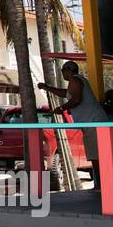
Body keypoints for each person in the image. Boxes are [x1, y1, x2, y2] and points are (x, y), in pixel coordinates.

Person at [39, 60, 108, 192]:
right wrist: (47, 88)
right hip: (91, 122)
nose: (62, 73)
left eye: (63, 71)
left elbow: (76, 99)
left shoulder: (76, 80)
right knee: (94, 156)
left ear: (69, 70)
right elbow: (66, 94)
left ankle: (101, 185)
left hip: (93, 122)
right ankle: (100, 184)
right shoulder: (75, 82)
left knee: (96, 156)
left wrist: (62, 108)